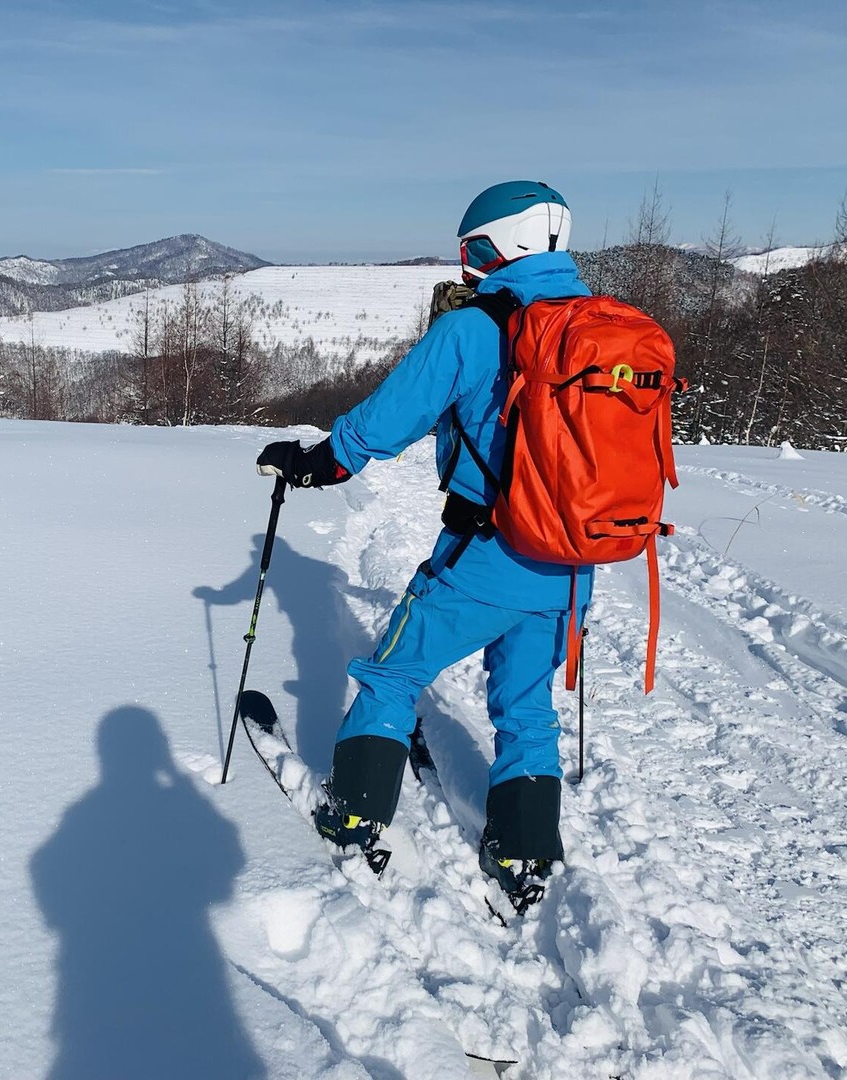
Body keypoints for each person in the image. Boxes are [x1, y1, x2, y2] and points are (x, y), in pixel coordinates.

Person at [255, 180, 592, 911]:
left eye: (474, 250)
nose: (468, 265)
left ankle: (354, 814)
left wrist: (317, 462)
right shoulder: (600, 329)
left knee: (392, 673)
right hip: (571, 562)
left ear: (503, 245)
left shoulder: (472, 330)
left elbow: (385, 421)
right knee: (527, 707)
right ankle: (525, 849)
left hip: (488, 554)